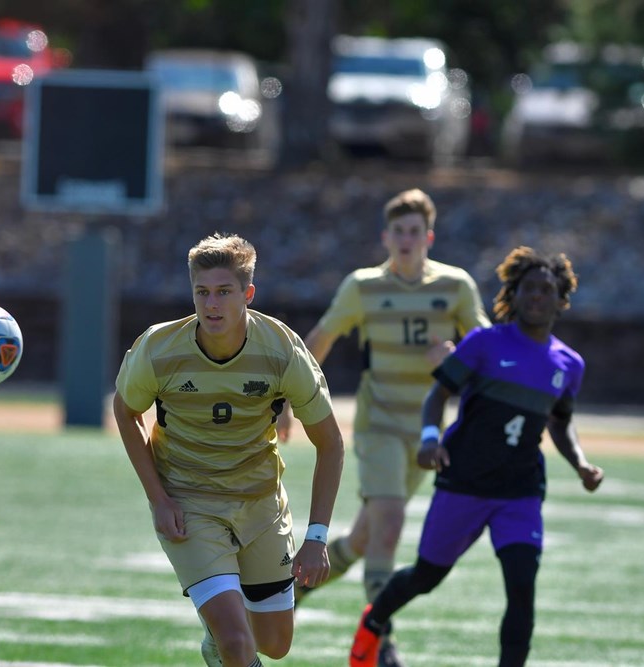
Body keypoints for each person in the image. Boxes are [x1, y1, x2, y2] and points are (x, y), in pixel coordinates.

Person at [349, 246, 605, 667]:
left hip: (520, 490)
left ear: (562, 300)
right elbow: (438, 394)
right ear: (514, 294)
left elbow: (560, 422)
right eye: (529, 288)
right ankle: (374, 621)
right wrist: (430, 439)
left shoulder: (569, 363)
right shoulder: (485, 343)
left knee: (522, 586)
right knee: (426, 577)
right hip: (463, 480)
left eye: (547, 289)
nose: (538, 296)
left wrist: (579, 462)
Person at [112, 233, 344, 667]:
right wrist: (159, 500)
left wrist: (317, 538)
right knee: (239, 644)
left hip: (261, 505)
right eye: (202, 292)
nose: (211, 304)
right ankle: (222, 636)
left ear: (248, 294)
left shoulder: (282, 350)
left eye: (223, 292)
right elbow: (125, 412)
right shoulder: (159, 349)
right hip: (191, 505)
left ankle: (215, 642)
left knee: (274, 644)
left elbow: (330, 444)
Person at [279, 188, 489, 665]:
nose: (406, 239)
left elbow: (485, 350)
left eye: (415, 231)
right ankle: (379, 639)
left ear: (429, 236)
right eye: (399, 231)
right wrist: (289, 399)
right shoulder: (363, 285)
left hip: (427, 429)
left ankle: (294, 589)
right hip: (378, 425)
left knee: (363, 540)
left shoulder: (455, 286)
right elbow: (321, 339)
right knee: (390, 524)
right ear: (386, 236)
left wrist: (456, 359)